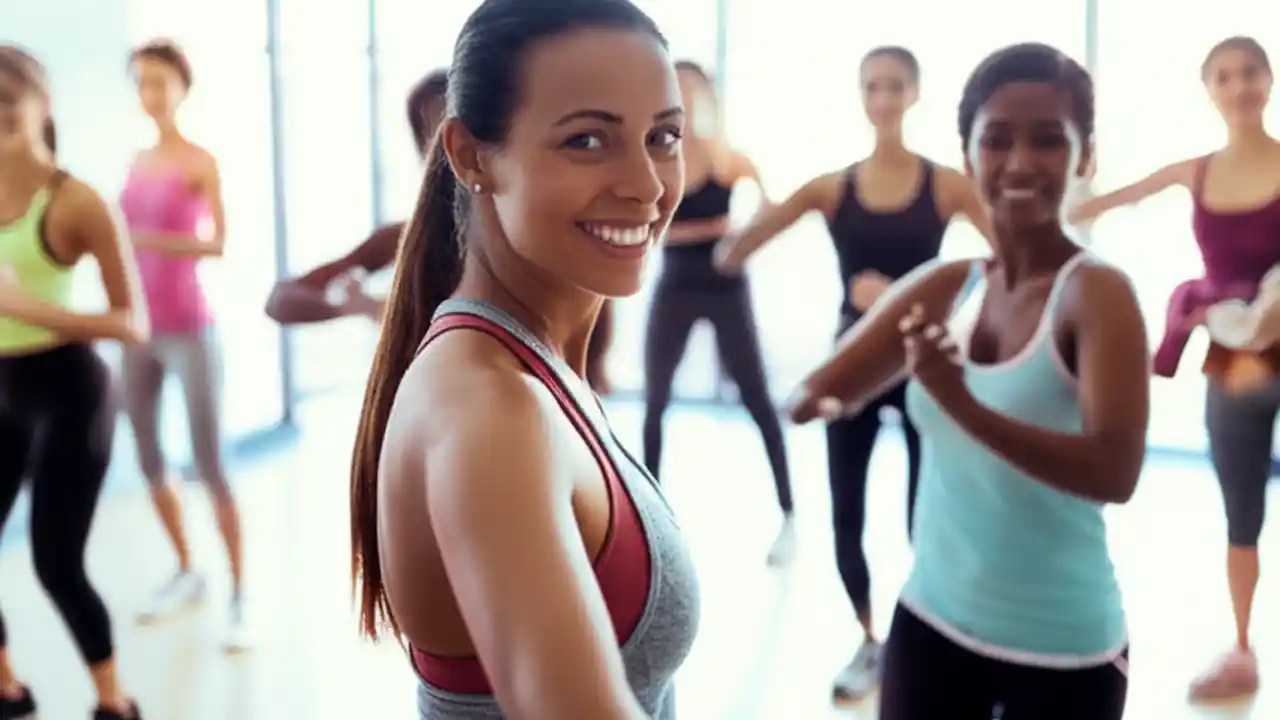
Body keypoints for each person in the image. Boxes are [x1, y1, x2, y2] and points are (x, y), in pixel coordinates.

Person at [347, 1, 699, 718]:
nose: (647, 184)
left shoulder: (534, 365)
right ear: (472, 156)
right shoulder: (491, 409)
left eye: (663, 136)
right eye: (588, 141)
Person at [789, 43, 1147, 719]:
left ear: (1086, 156)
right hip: (931, 623)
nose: (1019, 162)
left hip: (1062, 650)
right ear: (967, 155)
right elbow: (811, 391)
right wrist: (829, 398)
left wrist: (957, 401)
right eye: (996, 140)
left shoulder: (1098, 294)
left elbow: (1116, 471)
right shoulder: (948, 285)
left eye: (1048, 141)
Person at [714, 44, 991, 701]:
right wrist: (734, 178)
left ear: (914, 94)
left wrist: (912, 296)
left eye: (896, 86)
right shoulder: (831, 188)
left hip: (924, 365)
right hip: (854, 368)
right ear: (862, 97)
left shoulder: (946, 184)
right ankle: (869, 640)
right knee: (847, 513)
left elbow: (1013, 260)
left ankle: (922, 641)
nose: (885, 98)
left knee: (926, 514)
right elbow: (733, 253)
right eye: (873, 86)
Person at [1068, 35, 1280, 702]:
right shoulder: (1196, 171)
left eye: (1250, 72)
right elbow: (1094, 205)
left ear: (1269, 80)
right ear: (1209, 90)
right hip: (1230, 363)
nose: (1240, 85)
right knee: (1240, 512)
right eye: (1225, 75)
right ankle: (1242, 648)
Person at [260, 67, 617, 392]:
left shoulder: (539, 237)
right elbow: (282, 301)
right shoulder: (404, 238)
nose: (446, 154)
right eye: (430, 135)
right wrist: (355, 307)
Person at [0, 44, 146, 720]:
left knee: (56, 563)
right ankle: (7, 688)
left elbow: (132, 324)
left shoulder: (77, 201)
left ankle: (114, 702)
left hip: (69, 390)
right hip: (2, 387)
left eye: (7, 99)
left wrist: (29, 308)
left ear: (42, 104)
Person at [117, 39, 247, 650]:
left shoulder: (200, 159)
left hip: (191, 326)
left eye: (161, 82)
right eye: (142, 82)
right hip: (140, 328)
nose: (151, 93)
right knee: (147, 453)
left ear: (182, 87)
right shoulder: (136, 159)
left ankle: (240, 596)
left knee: (210, 460)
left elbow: (218, 244)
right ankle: (187, 569)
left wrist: (148, 238)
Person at [642, 59, 795, 564]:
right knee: (656, 398)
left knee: (756, 395)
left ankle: (788, 513)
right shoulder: (659, 157)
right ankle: (648, 519)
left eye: (693, 88)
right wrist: (716, 232)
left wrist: (741, 238)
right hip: (676, 285)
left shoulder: (731, 157)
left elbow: (774, 212)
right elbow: (651, 229)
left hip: (727, 289)